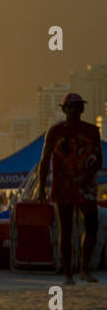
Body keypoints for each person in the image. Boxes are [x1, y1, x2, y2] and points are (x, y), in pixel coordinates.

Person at [37, 92, 102, 285]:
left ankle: (85, 268)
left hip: (86, 186)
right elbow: (45, 160)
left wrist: (89, 174)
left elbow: (99, 159)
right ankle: (68, 274)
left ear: (82, 109)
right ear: (64, 110)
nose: (74, 111)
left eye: (77, 107)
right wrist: (42, 187)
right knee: (66, 230)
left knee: (92, 226)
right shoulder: (55, 132)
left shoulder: (92, 131)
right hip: (63, 186)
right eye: (70, 107)